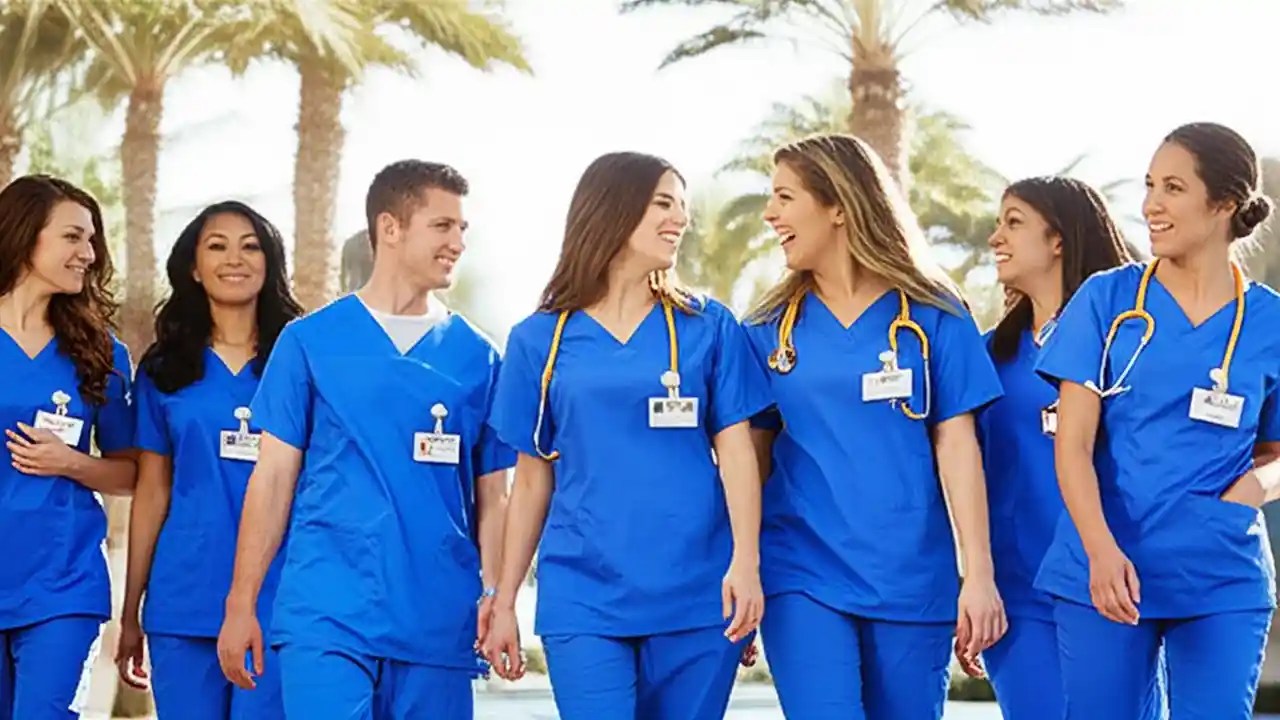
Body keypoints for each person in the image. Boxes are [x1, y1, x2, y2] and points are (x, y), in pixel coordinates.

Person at [215, 160, 515, 720]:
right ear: (390, 228)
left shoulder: (480, 357)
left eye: (462, 230)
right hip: (327, 611)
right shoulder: (309, 341)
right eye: (443, 226)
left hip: (435, 616)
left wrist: (496, 597)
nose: (457, 243)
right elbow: (273, 478)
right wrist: (241, 602)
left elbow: (493, 496)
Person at [481, 151, 769, 720]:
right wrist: (506, 599)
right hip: (583, 596)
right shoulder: (540, 339)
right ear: (613, 209)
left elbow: (739, 453)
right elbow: (532, 479)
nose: (679, 220)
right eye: (663, 203)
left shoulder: (708, 325)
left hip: (698, 594)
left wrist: (746, 564)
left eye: (682, 208)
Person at [741, 133, 1006, 720]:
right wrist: (741, 571)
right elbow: (748, 460)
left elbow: (958, 446)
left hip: (911, 575)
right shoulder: (766, 329)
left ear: (838, 205)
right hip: (801, 571)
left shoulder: (935, 312)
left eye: (784, 197)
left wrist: (978, 574)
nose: (769, 214)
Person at [1036, 121, 1280, 719]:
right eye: (1149, 185)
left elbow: (1276, 454)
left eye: (1172, 187)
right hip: (1105, 568)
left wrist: (1245, 497)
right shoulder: (1107, 300)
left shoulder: (1270, 322)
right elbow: (1071, 446)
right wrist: (1100, 551)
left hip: (1220, 572)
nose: (1151, 205)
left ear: (1223, 203)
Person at [115, 202, 302, 719]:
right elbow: (152, 491)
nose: (234, 258)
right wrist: (130, 610)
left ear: (270, 263)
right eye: (216, 245)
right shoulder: (164, 369)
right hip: (184, 594)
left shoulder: (302, 358)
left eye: (250, 246)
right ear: (194, 267)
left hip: (278, 597)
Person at [976, 176, 1136, 719]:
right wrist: (970, 585)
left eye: (1014, 222)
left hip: (1111, 587)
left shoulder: (1129, 349)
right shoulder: (986, 359)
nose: (996, 237)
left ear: (1059, 239)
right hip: (1018, 598)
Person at [0, 175, 136, 719]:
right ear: (24, 235)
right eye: (73, 237)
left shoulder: (101, 353)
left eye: (92, 240)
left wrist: (71, 463)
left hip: (62, 583)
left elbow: (132, 473)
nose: (89, 253)